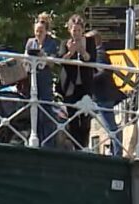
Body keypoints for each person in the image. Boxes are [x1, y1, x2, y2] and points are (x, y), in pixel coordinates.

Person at [58, 14, 96, 150]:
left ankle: (84, 145)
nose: (77, 33)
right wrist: (70, 52)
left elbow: (92, 60)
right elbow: (61, 61)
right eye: (74, 30)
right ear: (70, 30)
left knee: (85, 118)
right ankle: (76, 147)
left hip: (85, 85)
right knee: (72, 118)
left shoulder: (90, 42)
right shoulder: (64, 43)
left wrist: (82, 51)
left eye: (79, 30)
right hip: (70, 86)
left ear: (83, 30)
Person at [25, 20, 61, 146]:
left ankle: (48, 142)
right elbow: (25, 58)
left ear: (46, 31)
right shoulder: (30, 42)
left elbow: (52, 62)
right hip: (32, 77)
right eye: (36, 31)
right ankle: (35, 138)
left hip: (45, 77)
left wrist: (43, 55)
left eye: (41, 31)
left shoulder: (51, 43)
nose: (38, 34)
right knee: (33, 107)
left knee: (46, 107)